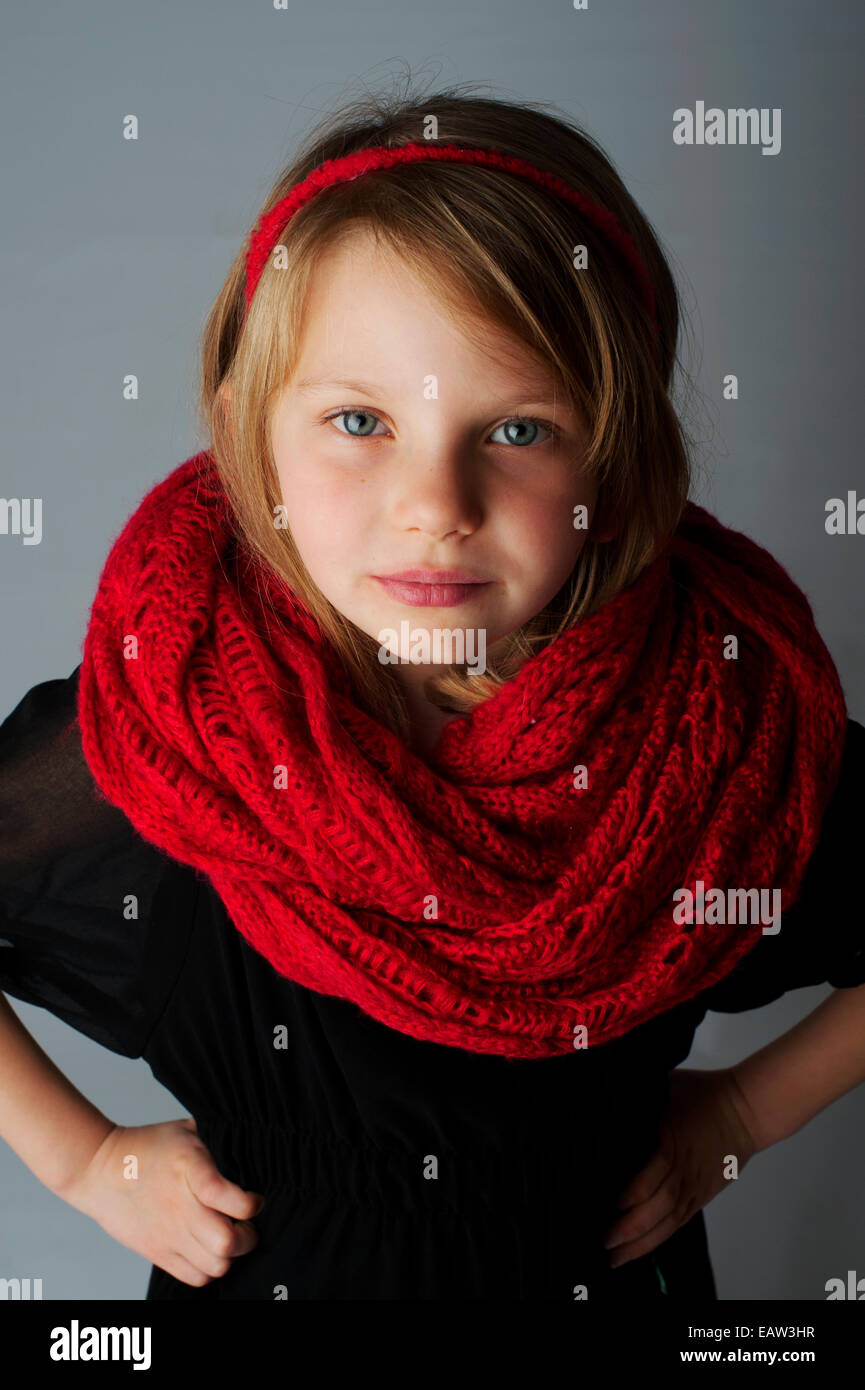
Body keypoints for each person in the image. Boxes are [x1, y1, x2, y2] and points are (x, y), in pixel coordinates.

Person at [1, 85, 864, 1302]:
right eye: (359, 419)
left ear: (611, 471)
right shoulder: (175, 739)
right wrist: (84, 1158)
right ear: (253, 436)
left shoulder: (714, 744)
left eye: (515, 430)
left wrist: (735, 1110)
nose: (433, 501)